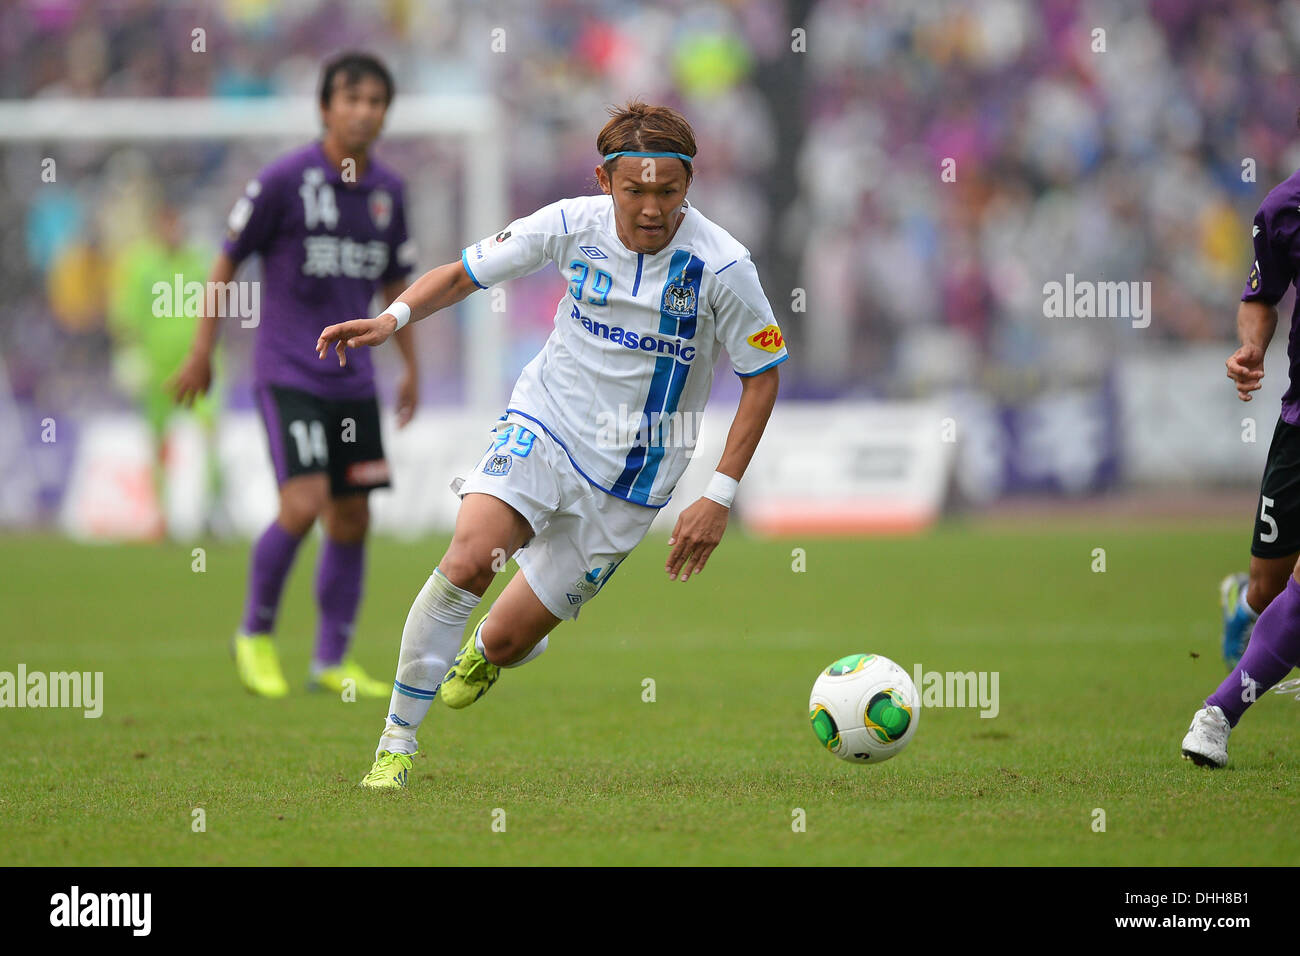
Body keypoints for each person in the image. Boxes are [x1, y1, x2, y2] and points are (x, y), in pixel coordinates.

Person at [316, 101, 787, 789]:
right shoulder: (570, 224)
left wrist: (718, 494)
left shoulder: (722, 268)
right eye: (635, 190)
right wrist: (394, 318)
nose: (651, 208)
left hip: (631, 482)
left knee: (507, 641)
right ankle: (396, 743)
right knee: (471, 559)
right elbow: (462, 274)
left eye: (667, 191)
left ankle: (485, 650)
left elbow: (763, 377)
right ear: (605, 180)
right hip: (545, 426)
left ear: (689, 184)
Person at [170, 52, 419, 699]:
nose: (364, 111)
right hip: (289, 371)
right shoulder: (284, 179)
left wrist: (412, 366)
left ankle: (330, 661)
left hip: (354, 379)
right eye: (352, 99)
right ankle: (254, 634)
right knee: (304, 504)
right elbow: (227, 260)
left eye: (375, 101)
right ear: (325, 108)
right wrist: (202, 350)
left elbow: (397, 285)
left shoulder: (390, 193)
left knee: (353, 517)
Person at [1182, 158, 1300, 766]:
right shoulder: (1284, 209)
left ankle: (1217, 715)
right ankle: (1244, 606)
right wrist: (1252, 347)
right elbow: (1261, 295)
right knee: (1269, 587)